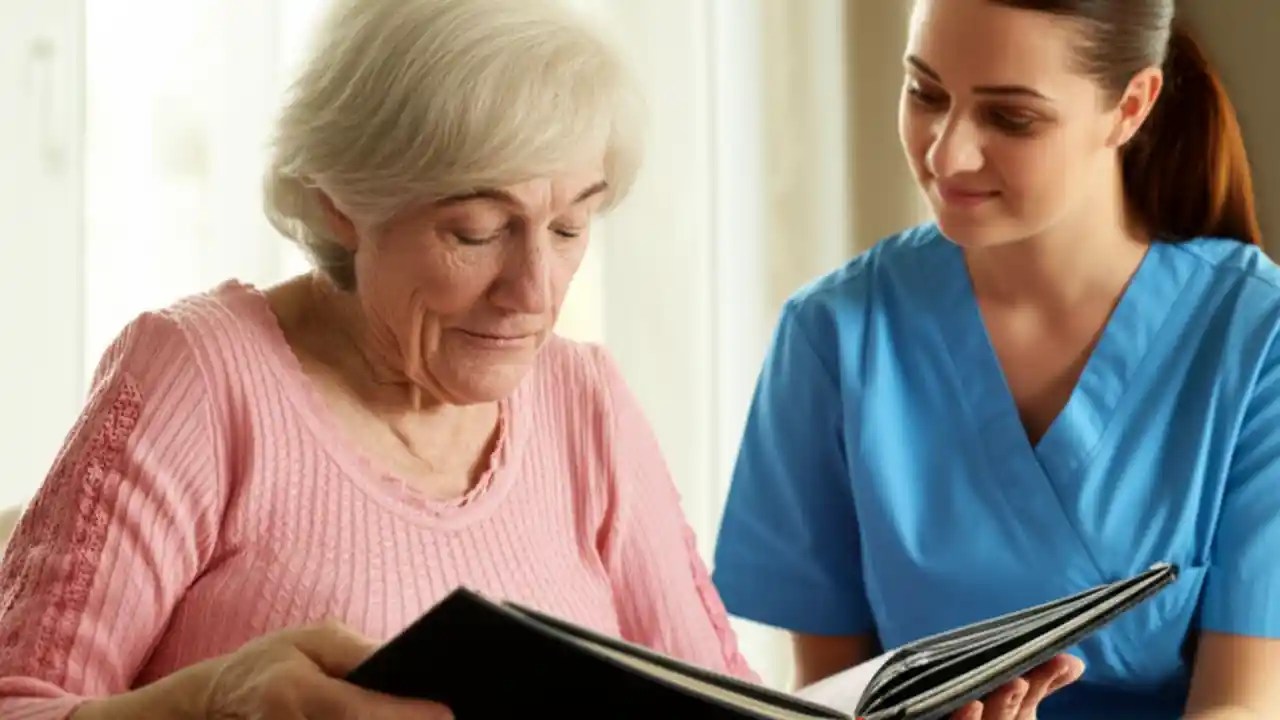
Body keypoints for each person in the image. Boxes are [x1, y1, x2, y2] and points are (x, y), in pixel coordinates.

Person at [0, 1, 1073, 719]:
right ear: (340, 204)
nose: (534, 294)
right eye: (475, 231)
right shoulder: (196, 376)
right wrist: (206, 703)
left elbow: (724, 706)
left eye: (570, 228)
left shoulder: (584, 403)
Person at [711, 0, 1280, 718]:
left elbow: (1245, 706)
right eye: (925, 93)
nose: (947, 154)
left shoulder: (1257, 340)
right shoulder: (832, 336)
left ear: (1130, 107)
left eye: (1011, 119)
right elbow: (832, 694)